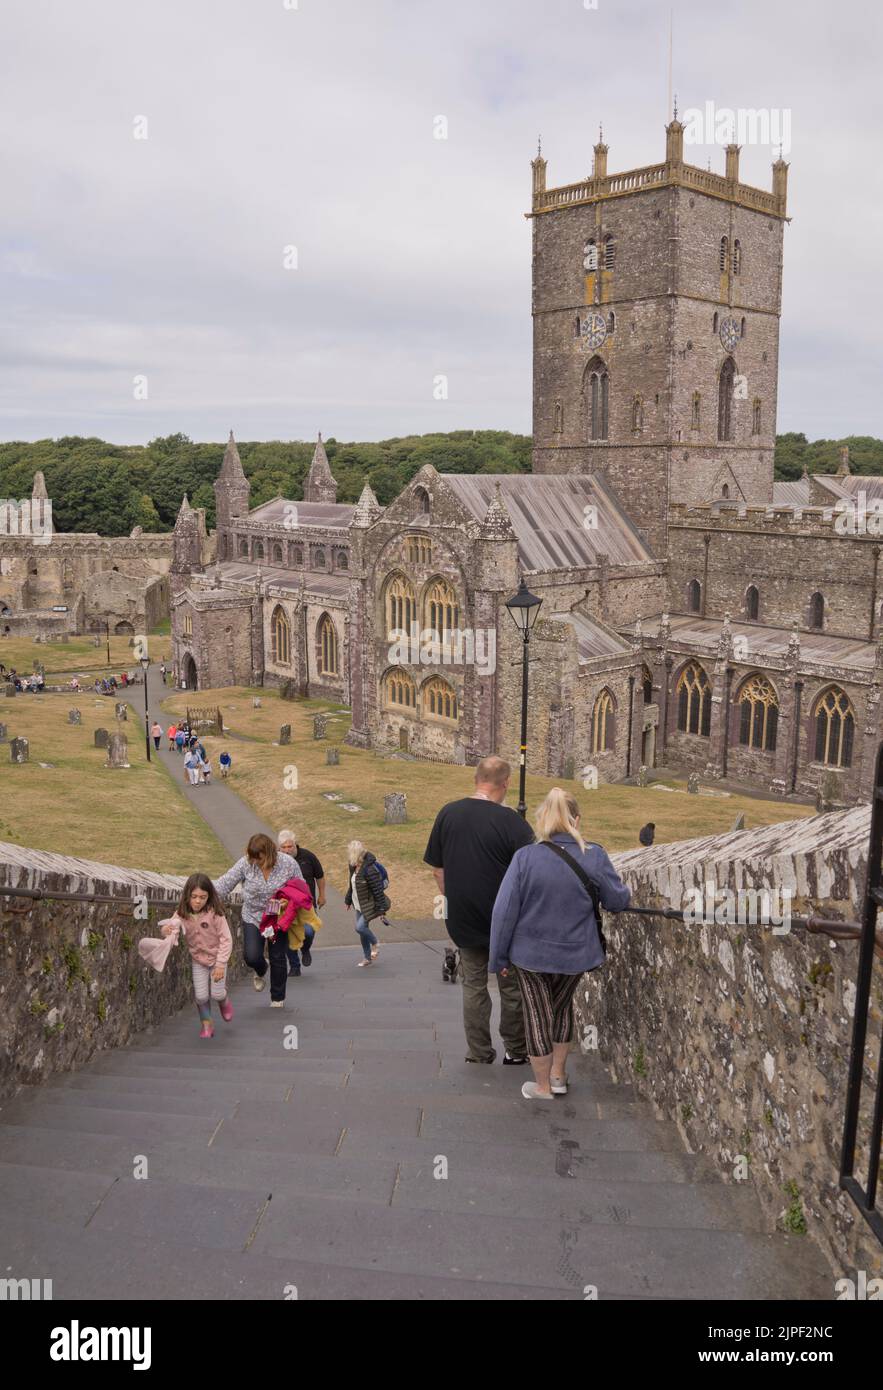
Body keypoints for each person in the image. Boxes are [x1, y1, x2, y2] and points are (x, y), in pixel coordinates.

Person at [490, 788, 630, 1101]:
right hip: (576, 954)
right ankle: (558, 1076)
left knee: (537, 1015)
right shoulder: (594, 854)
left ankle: (541, 1087)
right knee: (562, 1008)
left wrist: (498, 959)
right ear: (576, 820)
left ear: (543, 821)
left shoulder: (525, 858)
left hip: (530, 955)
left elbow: (503, 912)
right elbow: (617, 900)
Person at [424, 755, 534, 1065]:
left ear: (476, 779)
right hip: (506, 922)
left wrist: (454, 898)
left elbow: (438, 870)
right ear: (506, 783)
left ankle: (479, 1051)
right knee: (510, 986)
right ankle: (515, 1049)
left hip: (464, 918)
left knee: (473, 984)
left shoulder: (448, 814)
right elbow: (528, 876)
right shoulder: (514, 823)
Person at [213, 834, 305, 1005]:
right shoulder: (246, 863)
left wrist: (289, 900)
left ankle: (277, 998)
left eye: (259, 858)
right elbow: (225, 883)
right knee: (251, 956)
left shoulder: (288, 864)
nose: (255, 862)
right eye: (252, 858)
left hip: (277, 916)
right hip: (253, 915)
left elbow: (301, 888)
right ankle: (261, 968)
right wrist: (203, 893)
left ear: (269, 854)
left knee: (278, 956)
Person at [159, 874, 234, 1039]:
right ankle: (207, 1025)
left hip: (217, 960)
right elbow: (171, 928)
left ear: (209, 897)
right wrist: (166, 930)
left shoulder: (216, 914)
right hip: (198, 960)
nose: (198, 901)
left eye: (202, 897)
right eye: (194, 897)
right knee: (200, 996)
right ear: (187, 895)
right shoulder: (181, 914)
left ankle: (224, 1001)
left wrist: (221, 964)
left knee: (217, 993)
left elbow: (226, 939)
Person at [277, 829, 325, 974]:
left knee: (309, 932)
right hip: (285, 907)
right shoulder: (276, 862)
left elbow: (320, 876)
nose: (286, 850)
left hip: (305, 906)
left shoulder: (308, 857)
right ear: (279, 848)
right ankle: (295, 966)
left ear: (295, 845)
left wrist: (322, 895)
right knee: (286, 936)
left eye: (289, 846)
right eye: (283, 847)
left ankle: (305, 948)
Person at [344, 840, 388, 967]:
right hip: (358, 904)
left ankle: (375, 943)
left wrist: (381, 911)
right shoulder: (353, 865)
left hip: (369, 905)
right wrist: (348, 900)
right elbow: (352, 884)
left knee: (360, 927)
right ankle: (367, 958)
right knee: (362, 931)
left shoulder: (369, 869)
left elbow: (377, 890)